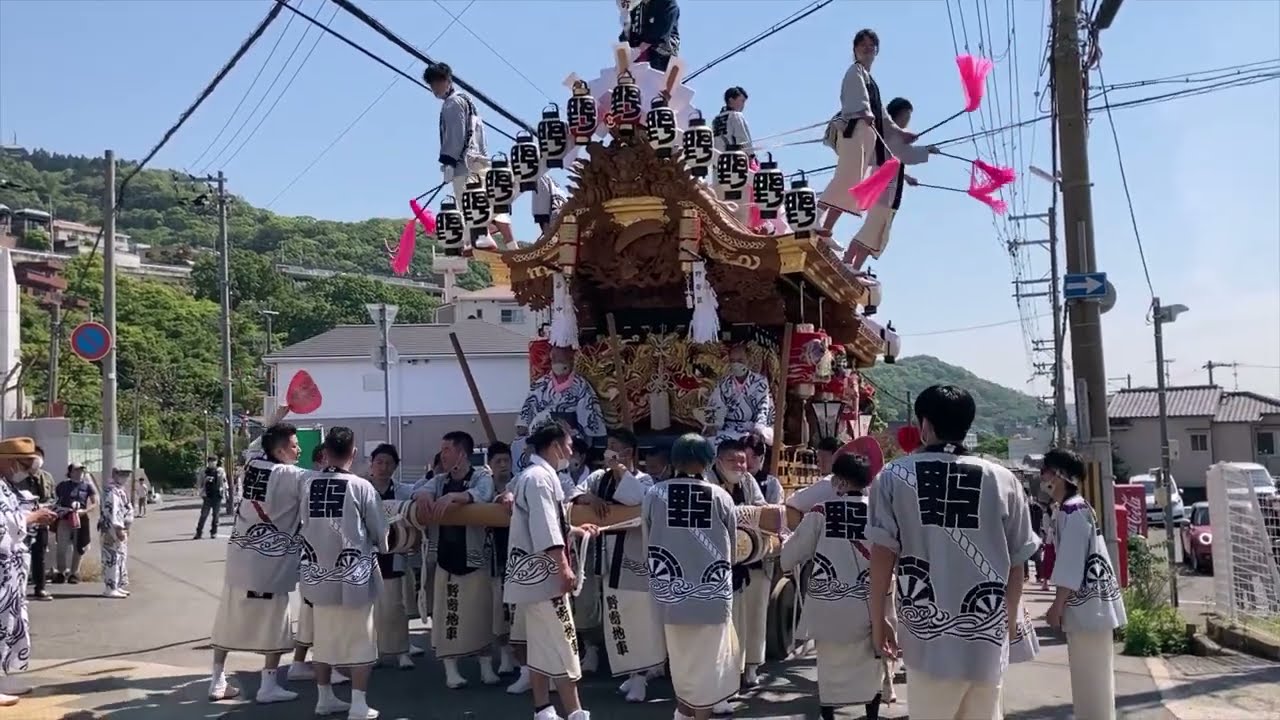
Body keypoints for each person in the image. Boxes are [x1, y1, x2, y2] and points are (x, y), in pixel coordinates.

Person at [866, 385, 1038, 720]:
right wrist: (1012, 617)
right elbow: (1018, 562)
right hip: (986, 635)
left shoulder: (893, 476)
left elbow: (882, 556)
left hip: (926, 635)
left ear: (925, 425)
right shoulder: (1004, 480)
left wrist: (879, 619)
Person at [208, 422, 308, 704]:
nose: (299, 449)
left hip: (240, 560)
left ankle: (217, 680)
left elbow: (256, 445)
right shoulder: (291, 475)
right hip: (272, 565)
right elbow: (323, 482)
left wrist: (276, 418)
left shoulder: (252, 465)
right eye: (294, 445)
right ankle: (268, 685)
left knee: (227, 622)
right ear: (278, 450)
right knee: (276, 626)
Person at [504, 421, 597, 720]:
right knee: (563, 641)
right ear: (555, 446)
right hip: (545, 575)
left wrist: (574, 529)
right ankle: (575, 712)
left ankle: (543, 709)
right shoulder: (540, 479)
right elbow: (545, 529)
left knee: (542, 644)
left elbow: (549, 524)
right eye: (569, 446)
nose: (571, 452)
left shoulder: (534, 476)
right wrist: (564, 567)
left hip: (532, 574)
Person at [781, 453, 885, 720]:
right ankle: (870, 713)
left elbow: (791, 556)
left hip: (828, 601)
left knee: (829, 664)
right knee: (869, 664)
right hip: (869, 601)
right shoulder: (879, 513)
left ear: (838, 480)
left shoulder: (821, 511)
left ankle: (829, 714)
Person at [642, 433, 738, 720]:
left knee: (680, 660)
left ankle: (684, 712)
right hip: (712, 593)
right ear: (708, 461)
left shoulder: (654, 494)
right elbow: (732, 548)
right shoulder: (721, 496)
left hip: (670, 592)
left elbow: (648, 540)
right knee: (708, 663)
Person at [298, 427, 387, 720]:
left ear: (324, 452)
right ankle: (359, 704)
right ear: (353, 452)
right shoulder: (361, 486)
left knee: (323, 640)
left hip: (317, 576)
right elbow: (380, 534)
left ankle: (324, 699)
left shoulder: (308, 484)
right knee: (360, 641)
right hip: (354, 577)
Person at [575, 429, 663, 703]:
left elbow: (639, 499)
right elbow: (574, 495)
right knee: (606, 613)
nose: (609, 452)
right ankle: (621, 669)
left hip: (630, 558)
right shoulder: (596, 478)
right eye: (608, 446)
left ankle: (640, 677)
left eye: (616, 447)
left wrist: (621, 472)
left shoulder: (644, 479)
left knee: (634, 617)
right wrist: (591, 499)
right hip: (600, 554)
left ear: (629, 453)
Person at [1041, 448, 1126, 720]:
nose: (1042, 477)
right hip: (1094, 605)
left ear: (1059, 476)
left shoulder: (1072, 511)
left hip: (1088, 607)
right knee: (1093, 681)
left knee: (1091, 683)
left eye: (1046, 471)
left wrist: (1057, 605)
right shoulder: (1075, 508)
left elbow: (1070, 562)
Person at [415, 431, 498, 689]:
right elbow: (420, 491)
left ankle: (486, 667)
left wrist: (455, 497)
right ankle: (451, 670)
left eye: (447, 449)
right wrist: (425, 496)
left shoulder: (482, 476)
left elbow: (483, 494)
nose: (443, 454)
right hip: (446, 559)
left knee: (480, 613)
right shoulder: (439, 480)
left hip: (475, 558)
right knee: (447, 614)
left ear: (462, 453)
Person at [819, 29, 916, 237]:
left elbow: (882, 114)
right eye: (862, 44)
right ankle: (816, 218)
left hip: (865, 136)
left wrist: (900, 133)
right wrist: (864, 111)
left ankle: (826, 229)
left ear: (876, 51)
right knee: (845, 178)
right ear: (855, 49)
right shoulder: (855, 71)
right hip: (854, 132)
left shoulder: (870, 80)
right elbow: (858, 100)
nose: (867, 48)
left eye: (871, 45)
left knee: (852, 184)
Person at [424, 62, 512, 250]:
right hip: (481, 159)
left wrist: (448, 162)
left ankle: (481, 239)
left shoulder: (452, 103)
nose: (433, 89)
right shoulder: (467, 100)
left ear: (447, 81)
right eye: (431, 85)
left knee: (468, 203)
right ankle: (510, 243)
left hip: (463, 163)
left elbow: (456, 134)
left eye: (436, 83)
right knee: (490, 203)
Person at [846, 96, 939, 270]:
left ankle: (855, 266)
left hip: (888, 189)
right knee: (872, 229)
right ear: (896, 115)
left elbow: (895, 160)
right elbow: (903, 154)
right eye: (905, 115)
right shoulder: (890, 134)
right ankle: (848, 262)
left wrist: (906, 177)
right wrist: (928, 150)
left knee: (876, 231)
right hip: (883, 190)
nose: (908, 119)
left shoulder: (891, 134)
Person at [0, 438, 59, 706]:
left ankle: (4, 677)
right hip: (2, 569)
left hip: (11, 571)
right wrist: (33, 518)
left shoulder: (7, 486)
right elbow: (5, 526)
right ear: (8, 460)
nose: (23, 470)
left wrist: (34, 513)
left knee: (10, 624)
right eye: (22, 464)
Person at [709, 439, 767, 703]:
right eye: (733, 460)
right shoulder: (707, 480)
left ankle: (744, 668)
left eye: (743, 460)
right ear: (718, 461)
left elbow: (762, 509)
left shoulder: (748, 481)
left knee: (744, 620)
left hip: (744, 559)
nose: (740, 465)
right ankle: (719, 680)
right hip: (712, 560)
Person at [366, 444, 415, 670]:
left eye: (389, 463)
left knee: (395, 606)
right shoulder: (362, 488)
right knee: (372, 608)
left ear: (395, 466)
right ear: (371, 464)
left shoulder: (404, 491)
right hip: (367, 554)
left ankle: (401, 651)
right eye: (379, 462)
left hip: (395, 552)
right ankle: (373, 650)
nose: (384, 467)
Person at [518, 346, 607, 445]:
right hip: (543, 434)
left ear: (570, 360)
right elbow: (529, 405)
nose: (558, 362)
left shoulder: (580, 384)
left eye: (562, 359)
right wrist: (523, 425)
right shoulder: (541, 384)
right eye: (555, 359)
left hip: (572, 434)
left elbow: (588, 410)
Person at [484, 443, 522, 677]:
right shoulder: (483, 486)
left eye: (506, 460)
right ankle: (505, 654)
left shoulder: (520, 482)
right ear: (490, 463)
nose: (503, 465)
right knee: (498, 610)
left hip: (517, 553)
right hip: (494, 554)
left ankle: (520, 654)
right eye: (498, 461)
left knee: (518, 609)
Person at [704, 344, 775, 449]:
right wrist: (712, 425)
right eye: (733, 360)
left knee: (753, 445)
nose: (736, 364)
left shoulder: (760, 382)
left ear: (748, 360)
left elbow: (763, 407)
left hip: (751, 428)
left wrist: (758, 428)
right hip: (727, 428)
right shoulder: (723, 383)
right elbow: (715, 405)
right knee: (710, 443)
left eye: (740, 360)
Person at [13, 446, 54, 601]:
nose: (35, 461)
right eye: (31, 457)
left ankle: (40, 587)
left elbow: (53, 497)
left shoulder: (47, 477)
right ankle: (19, 590)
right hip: (24, 522)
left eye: (38, 457)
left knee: (40, 555)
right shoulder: (17, 479)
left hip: (42, 522)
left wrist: (46, 508)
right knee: (21, 555)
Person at [53, 462, 96, 584]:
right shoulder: (62, 485)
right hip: (65, 518)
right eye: (76, 470)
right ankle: (61, 572)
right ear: (70, 472)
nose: (79, 473)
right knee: (61, 545)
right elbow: (56, 500)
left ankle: (74, 573)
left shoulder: (87, 486)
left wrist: (85, 511)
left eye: (81, 470)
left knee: (79, 545)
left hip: (80, 519)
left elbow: (94, 503)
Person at [99, 468, 134, 599]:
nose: (125, 477)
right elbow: (113, 512)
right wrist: (119, 528)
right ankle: (110, 587)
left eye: (127, 474)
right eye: (122, 474)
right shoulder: (111, 491)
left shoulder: (120, 490)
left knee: (120, 557)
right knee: (111, 558)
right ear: (114, 474)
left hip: (120, 528)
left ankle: (117, 585)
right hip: (112, 530)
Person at [619, 0, 680, 72]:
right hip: (638, 56)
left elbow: (662, 30)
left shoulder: (668, 3)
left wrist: (643, 46)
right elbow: (628, 33)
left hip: (661, 56)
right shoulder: (636, 8)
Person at [744, 434, 783, 504]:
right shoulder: (735, 481)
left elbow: (776, 509)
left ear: (761, 458)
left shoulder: (771, 484)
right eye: (745, 457)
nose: (749, 461)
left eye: (754, 457)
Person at [713, 87, 754, 154]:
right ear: (731, 100)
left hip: (719, 159)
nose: (743, 105)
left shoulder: (716, 119)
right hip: (734, 158)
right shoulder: (736, 115)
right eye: (742, 101)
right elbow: (742, 138)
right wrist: (751, 155)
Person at [194, 456, 226, 540]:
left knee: (216, 515)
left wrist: (224, 493)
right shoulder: (203, 471)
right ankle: (199, 532)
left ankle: (214, 532)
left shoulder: (220, 471)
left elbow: (223, 482)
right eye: (211, 461)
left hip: (217, 495)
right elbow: (199, 483)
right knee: (204, 515)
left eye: (214, 461)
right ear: (208, 462)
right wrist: (205, 482)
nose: (213, 463)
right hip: (207, 496)